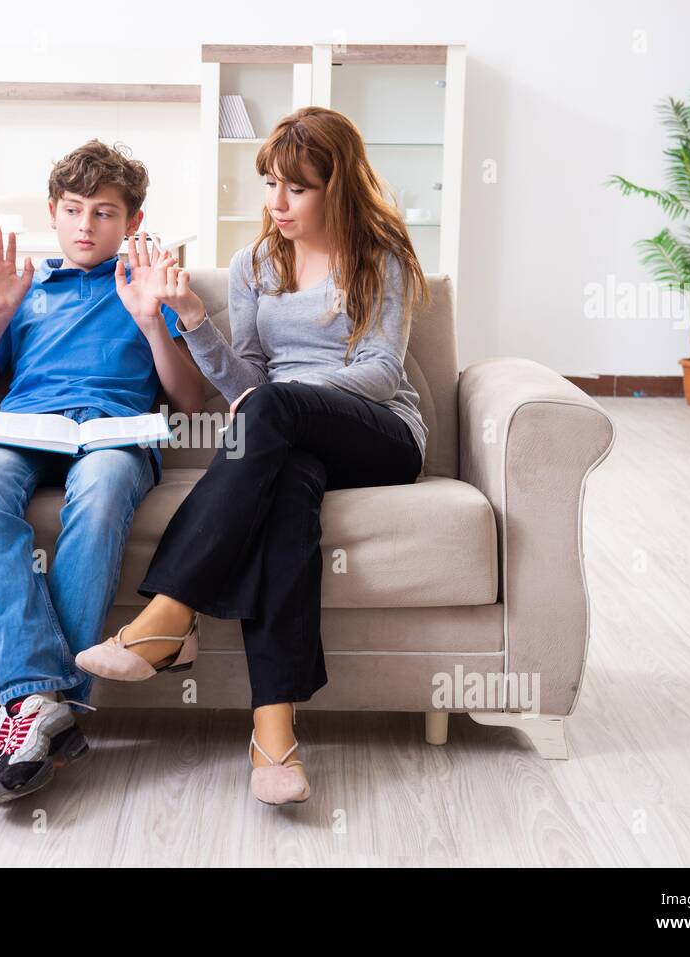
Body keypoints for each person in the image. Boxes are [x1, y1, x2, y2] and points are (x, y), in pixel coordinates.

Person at [76, 107, 430, 806]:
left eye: (295, 188)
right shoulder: (254, 265)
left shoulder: (382, 255)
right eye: (270, 183)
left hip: (380, 434)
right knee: (286, 485)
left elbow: (383, 372)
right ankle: (274, 737)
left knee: (274, 410)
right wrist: (194, 319)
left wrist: (282, 399)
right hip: (290, 438)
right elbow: (244, 385)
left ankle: (171, 615)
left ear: (339, 186)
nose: (275, 202)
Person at [0, 140, 204, 805]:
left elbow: (192, 401)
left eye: (105, 213)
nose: (86, 225)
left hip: (114, 436)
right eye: (73, 209)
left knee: (105, 485)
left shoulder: (150, 288)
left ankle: (31, 707)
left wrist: (152, 323)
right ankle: (46, 700)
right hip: (27, 427)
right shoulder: (24, 287)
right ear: (54, 215)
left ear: (133, 223)